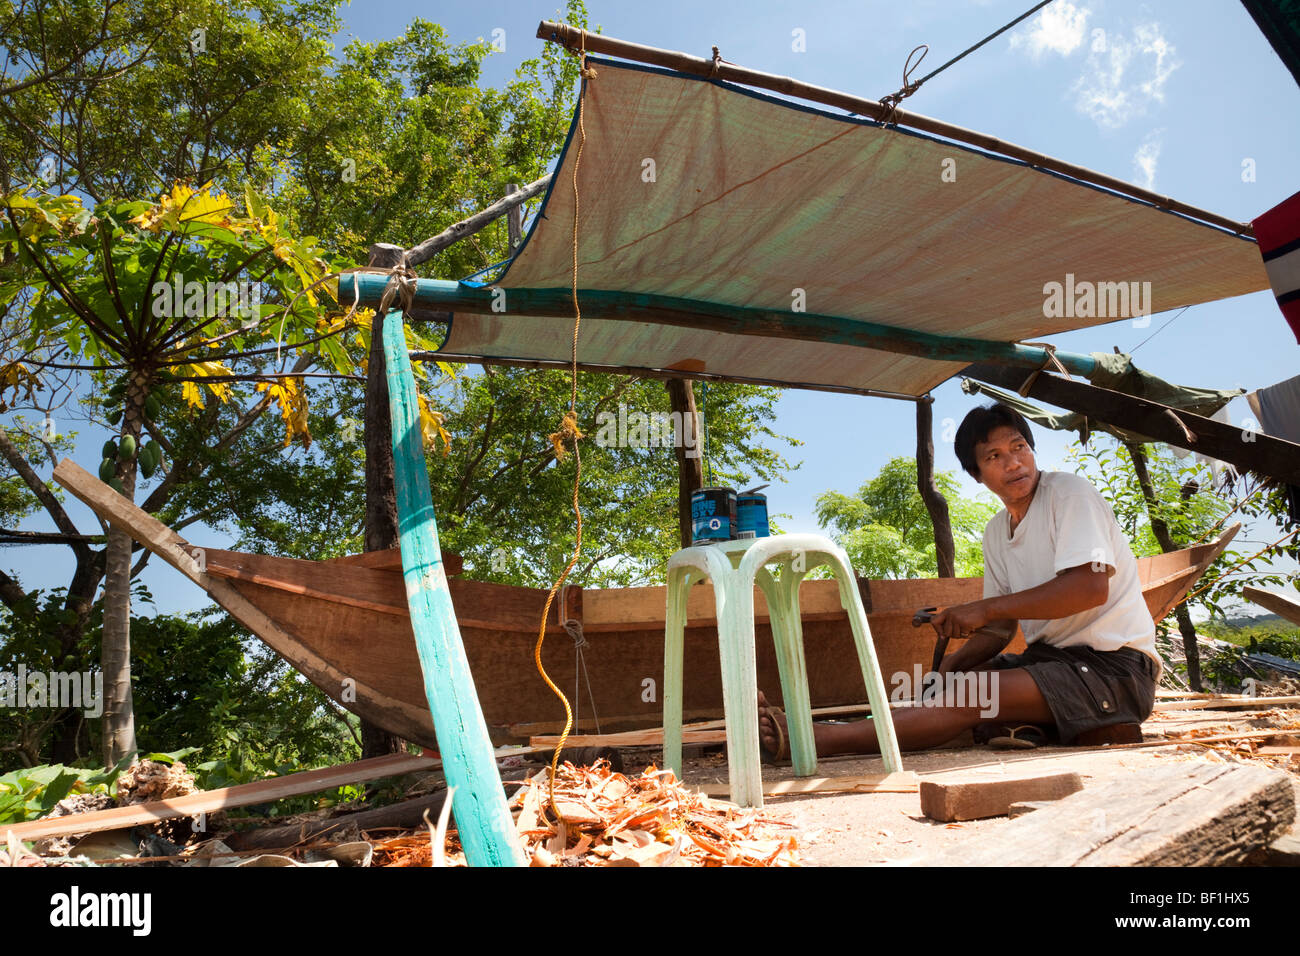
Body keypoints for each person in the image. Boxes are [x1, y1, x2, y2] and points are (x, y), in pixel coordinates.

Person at [758, 401, 1159, 757]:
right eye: (995, 456)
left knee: (972, 695)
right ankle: (1011, 725)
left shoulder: (1068, 494)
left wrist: (982, 608)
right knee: (959, 681)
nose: (1014, 463)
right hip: (1053, 663)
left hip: (1114, 672)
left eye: (1020, 447)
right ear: (977, 474)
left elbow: (1088, 588)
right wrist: (951, 663)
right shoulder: (996, 531)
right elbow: (1001, 628)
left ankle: (821, 740)